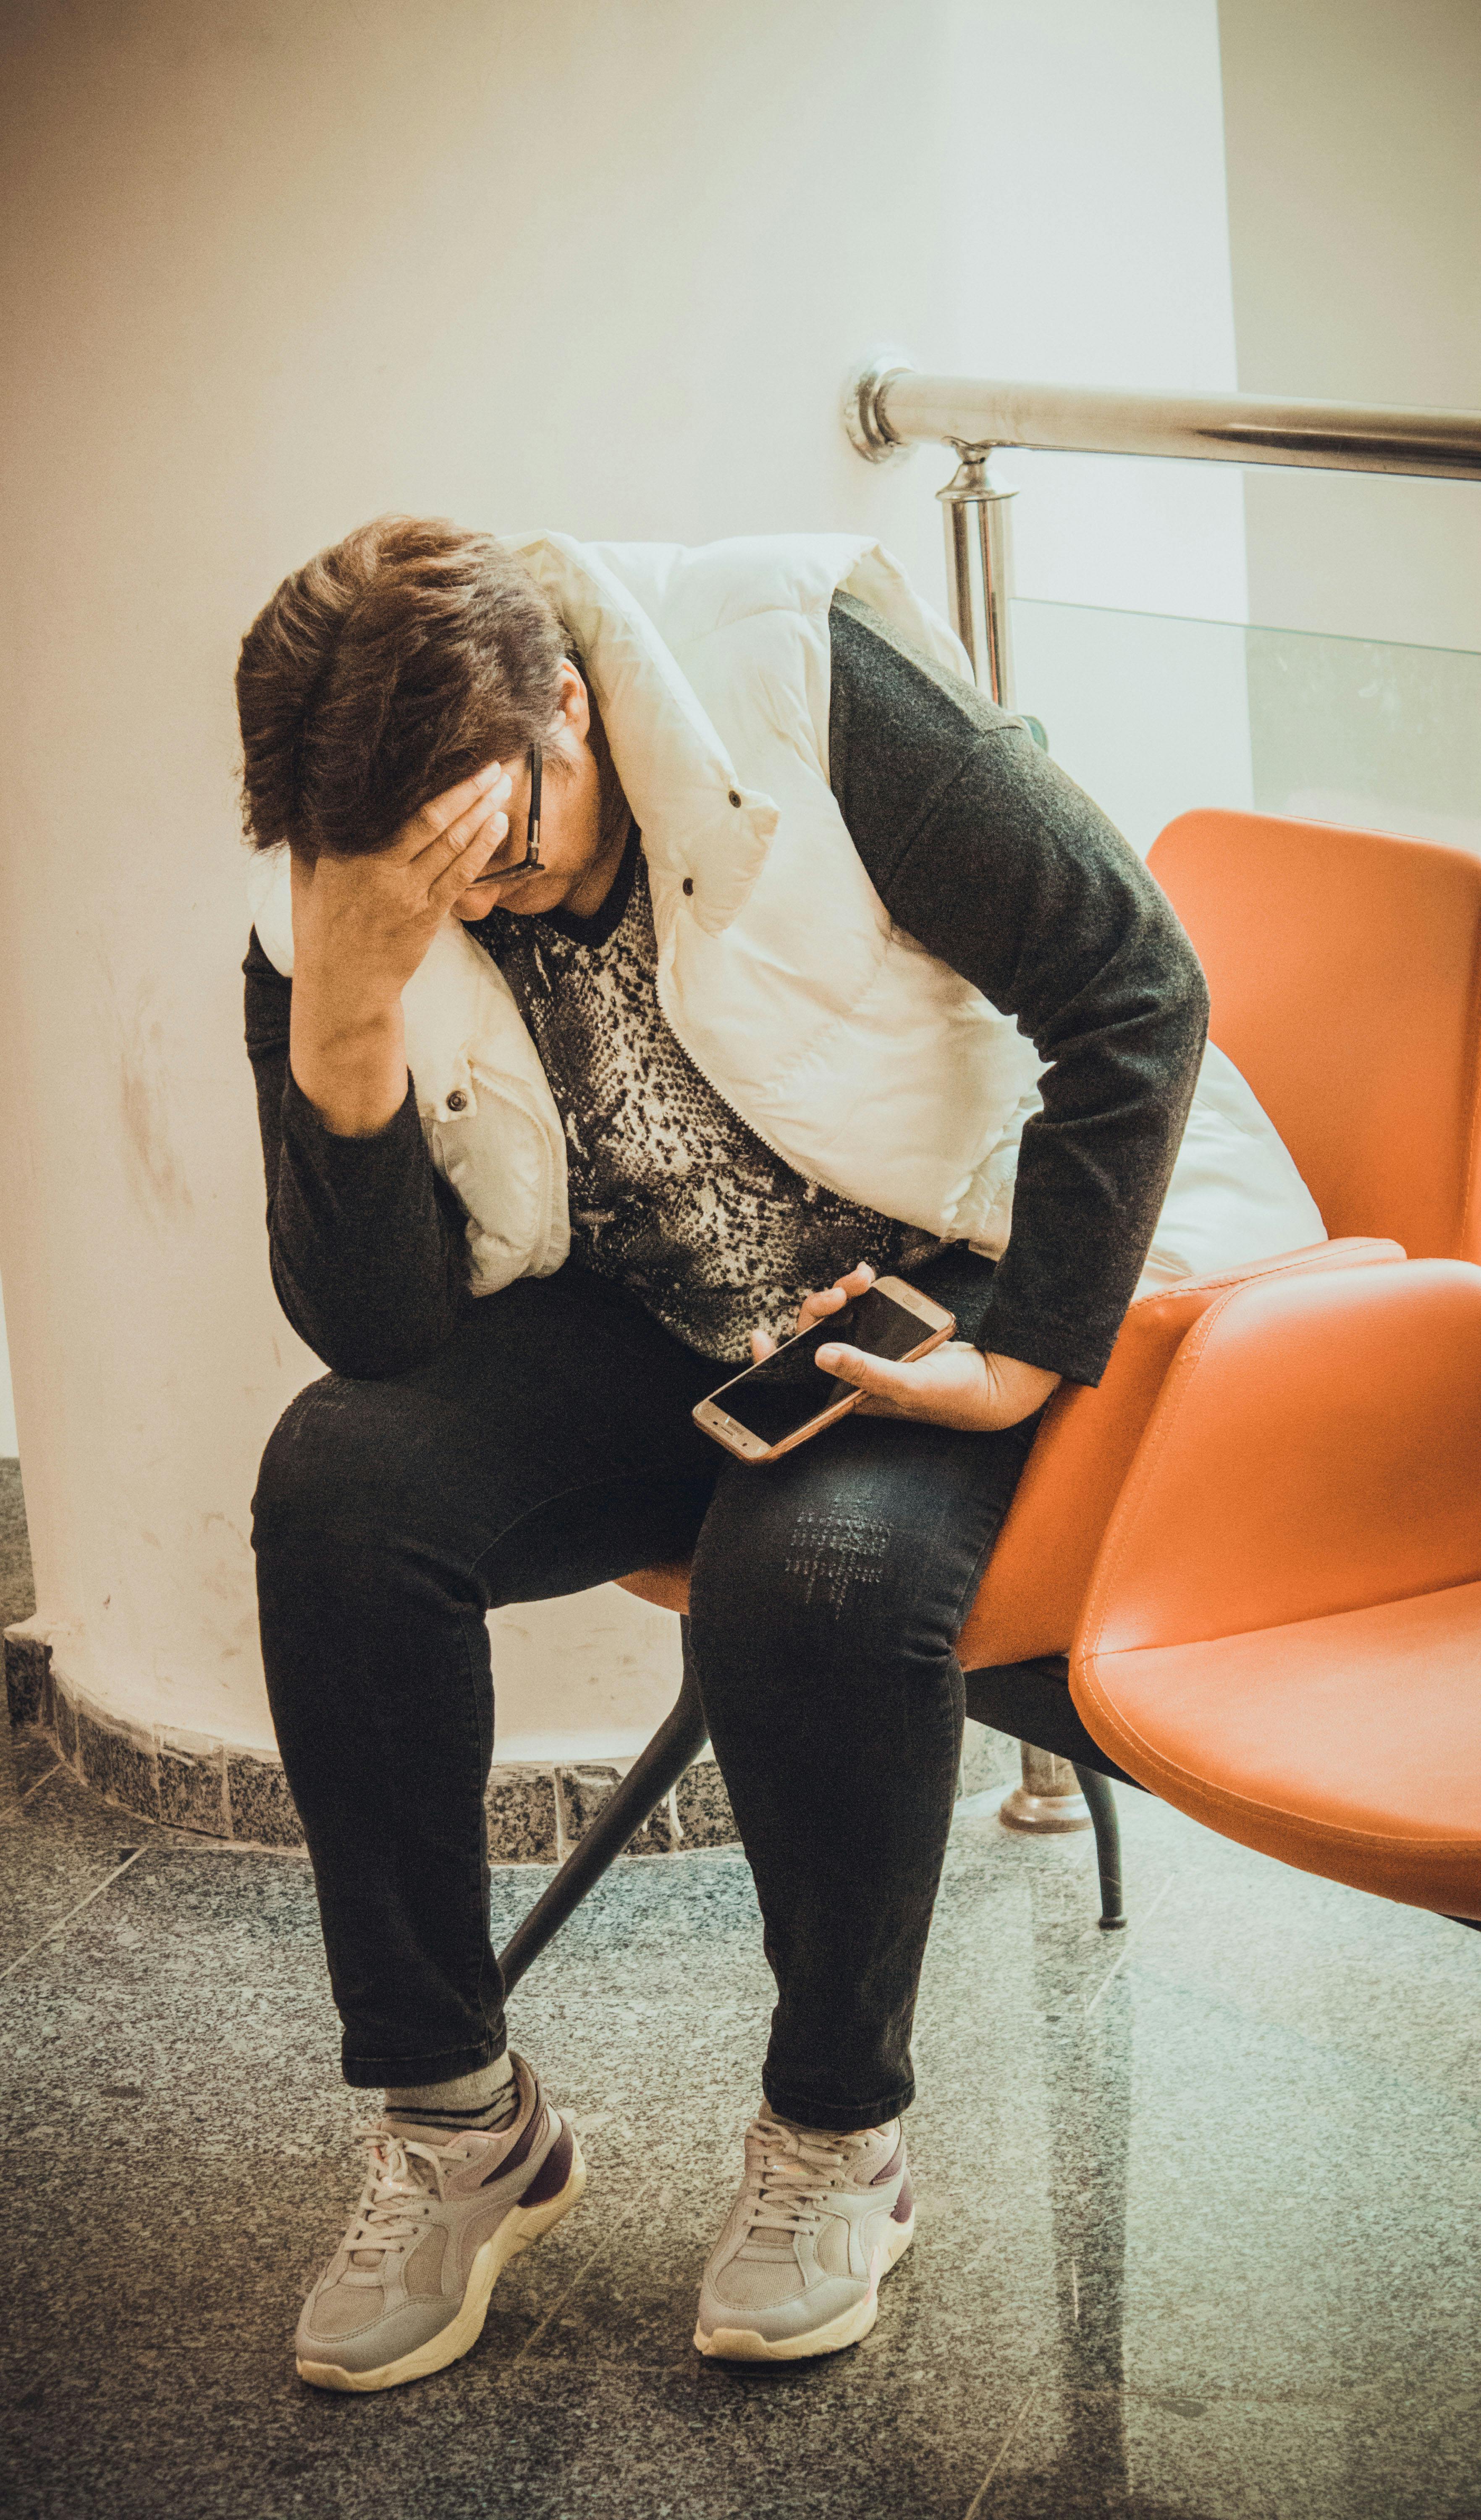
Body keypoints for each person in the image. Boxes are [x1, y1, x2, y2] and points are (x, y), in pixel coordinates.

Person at [236, 517, 1310, 2390]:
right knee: (341, 1483)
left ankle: (837, 2138)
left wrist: (1020, 1356)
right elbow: (386, 1333)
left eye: (499, 852)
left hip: (944, 1270)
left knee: (803, 1577)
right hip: (666, 1315)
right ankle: (456, 2116)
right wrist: (346, 1011)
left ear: (567, 704)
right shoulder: (350, 893)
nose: (476, 912)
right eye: (427, 892)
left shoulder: (791, 667)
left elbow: (1138, 986)